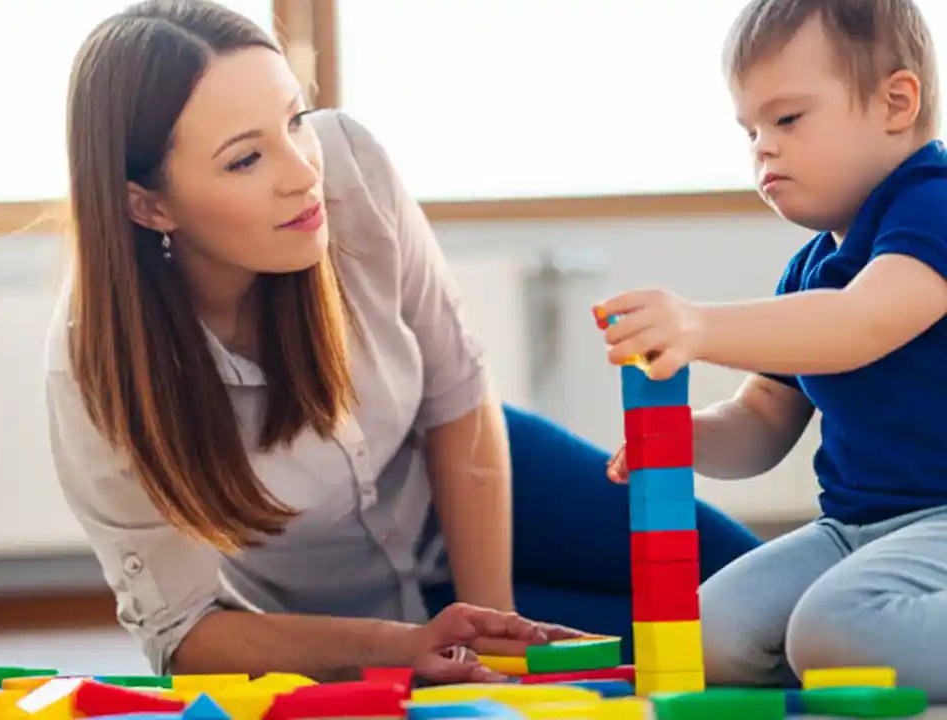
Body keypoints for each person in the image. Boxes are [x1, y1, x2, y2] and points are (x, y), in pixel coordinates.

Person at [45, 0, 761, 682]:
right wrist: (405, 649)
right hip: (342, 616)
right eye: (244, 160)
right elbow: (184, 632)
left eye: (294, 120)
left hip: (474, 478)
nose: (303, 174)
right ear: (149, 204)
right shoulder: (97, 368)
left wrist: (496, 628)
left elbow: (458, 396)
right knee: (696, 658)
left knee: (759, 606)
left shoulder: (348, 164)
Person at [597, 0, 947, 700]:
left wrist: (698, 324)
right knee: (706, 634)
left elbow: (861, 324)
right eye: (751, 128)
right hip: (856, 528)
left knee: (836, 629)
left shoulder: (932, 206)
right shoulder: (810, 270)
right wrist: (681, 438)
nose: (763, 145)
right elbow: (761, 424)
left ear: (895, 103)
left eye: (787, 119)